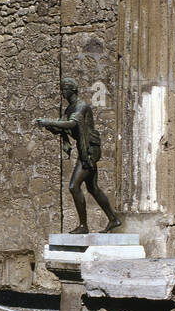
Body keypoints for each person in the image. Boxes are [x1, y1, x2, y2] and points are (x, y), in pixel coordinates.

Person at [35, 77, 123, 234]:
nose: (62, 93)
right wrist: (48, 125)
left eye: (64, 90)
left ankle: (83, 226)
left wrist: (50, 121)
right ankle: (113, 218)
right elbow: (60, 127)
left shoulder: (81, 106)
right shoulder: (69, 109)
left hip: (90, 150)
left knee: (73, 186)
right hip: (86, 149)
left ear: (72, 90)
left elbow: (71, 124)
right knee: (93, 188)